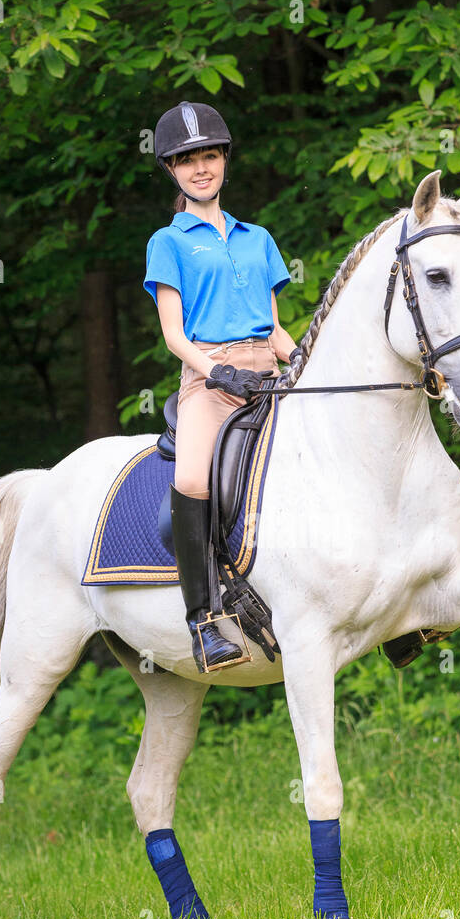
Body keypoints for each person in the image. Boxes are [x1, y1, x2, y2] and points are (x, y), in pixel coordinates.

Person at [144, 101, 299, 673]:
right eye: (187, 162)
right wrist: (216, 372)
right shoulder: (169, 242)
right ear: (172, 171)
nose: (200, 169)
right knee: (190, 477)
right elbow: (173, 336)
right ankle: (204, 622)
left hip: (270, 374)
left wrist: (302, 357)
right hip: (209, 378)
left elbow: (275, 327)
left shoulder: (257, 238)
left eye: (208, 156)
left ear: (224, 161)